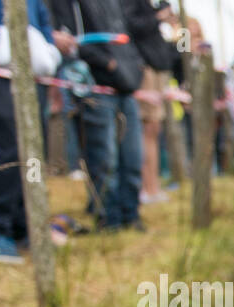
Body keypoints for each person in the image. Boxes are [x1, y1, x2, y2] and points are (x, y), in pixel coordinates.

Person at [49, 0, 145, 231]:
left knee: (131, 156)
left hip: (126, 85)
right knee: (104, 158)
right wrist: (108, 64)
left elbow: (131, 34)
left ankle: (130, 215)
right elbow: (69, 39)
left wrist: (133, 67)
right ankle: (108, 218)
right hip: (96, 86)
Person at [0, 0, 62, 262]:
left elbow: (43, 19)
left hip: (32, 73)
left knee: (32, 152)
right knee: (8, 150)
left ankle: (24, 226)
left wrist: (49, 51)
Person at [123, 0, 176, 205]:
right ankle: (146, 187)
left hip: (158, 65)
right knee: (147, 128)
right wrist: (157, 17)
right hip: (145, 66)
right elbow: (132, 26)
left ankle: (153, 185)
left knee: (154, 130)